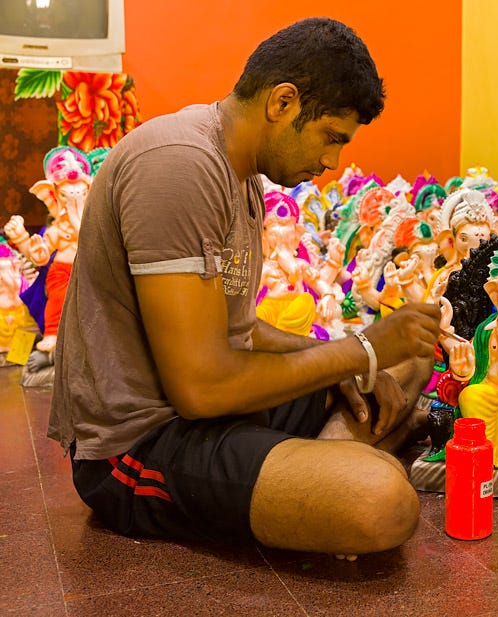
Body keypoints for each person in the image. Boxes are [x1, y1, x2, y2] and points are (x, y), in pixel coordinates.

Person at [48, 17, 441, 558]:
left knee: (410, 363)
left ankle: (317, 471)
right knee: (383, 502)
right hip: (143, 442)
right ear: (282, 103)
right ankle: (333, 470)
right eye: (331, 137)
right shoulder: (179, 163)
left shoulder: (242, 176)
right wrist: (362, 348)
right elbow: (201, 389)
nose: (333, 162)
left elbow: (239, 328)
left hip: (214, 411)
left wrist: (351, 362)